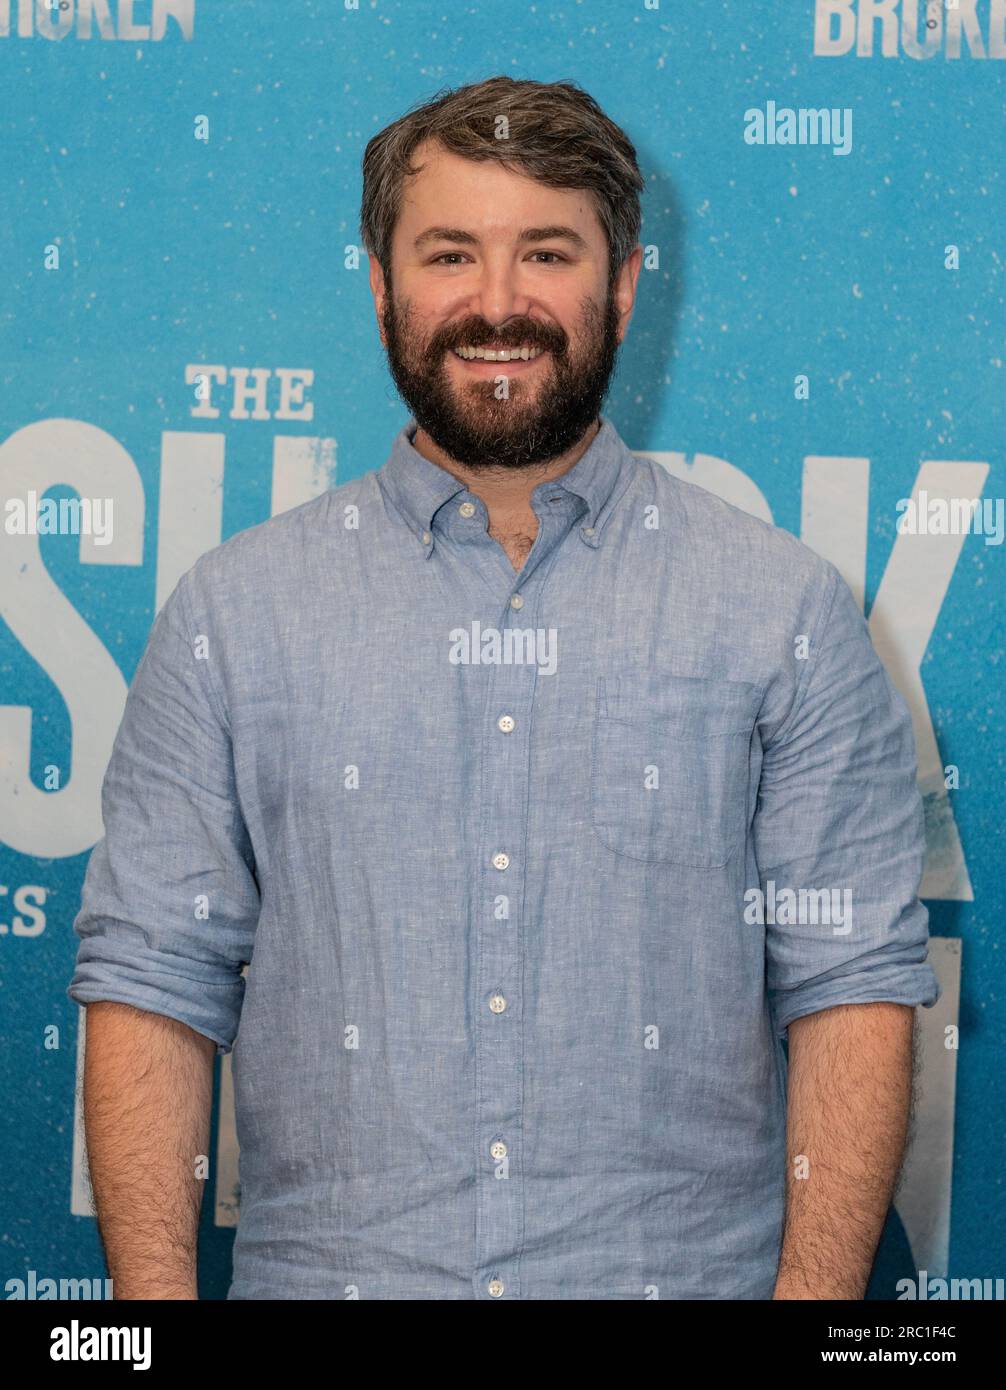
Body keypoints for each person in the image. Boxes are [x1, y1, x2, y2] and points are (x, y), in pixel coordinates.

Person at [68, 75, 940, 1301]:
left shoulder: (783, 610)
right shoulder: (232, 613)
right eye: (448, 253)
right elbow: (153, 982)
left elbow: (850, 988)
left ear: (625, 285)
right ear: (379, 284)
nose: (496, 303)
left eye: (545, 252)